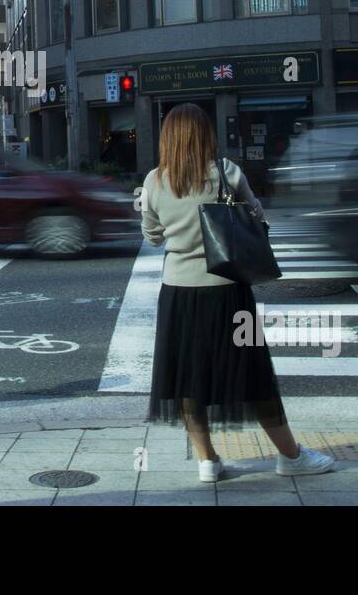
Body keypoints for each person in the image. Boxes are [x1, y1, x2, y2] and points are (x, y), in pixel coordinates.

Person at [141, 103, 334, 483]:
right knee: (252, 375)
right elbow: (257, 217)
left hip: (179, 292)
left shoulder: (154, 181)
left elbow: (152, 236)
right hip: (227, 291)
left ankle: (207, 461)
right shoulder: (226, 173)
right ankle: (290, 457)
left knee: (187, 378)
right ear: (205, 135)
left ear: (168, 139)